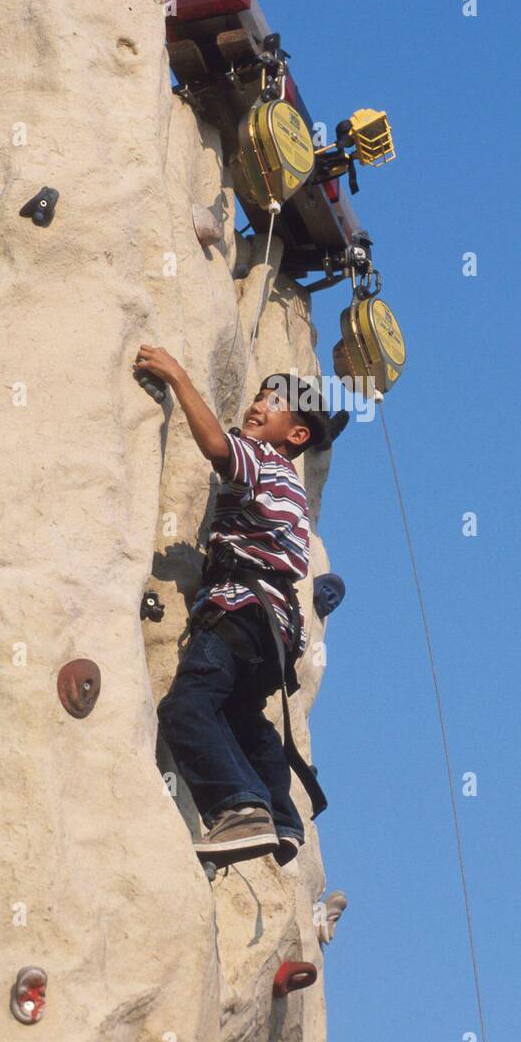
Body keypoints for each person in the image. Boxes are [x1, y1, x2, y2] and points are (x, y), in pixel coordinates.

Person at [133, 345, 339, 867]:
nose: (259, 404)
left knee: (186, 707)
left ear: (296, 436)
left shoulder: (266, 460)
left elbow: (216, 448)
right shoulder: (290, 484)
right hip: (274, 631)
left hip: (240, 609)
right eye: (260, 395)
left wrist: (178, 376)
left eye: (275, 402)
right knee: (243, 716)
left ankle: (240, 810)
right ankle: (284, 818)